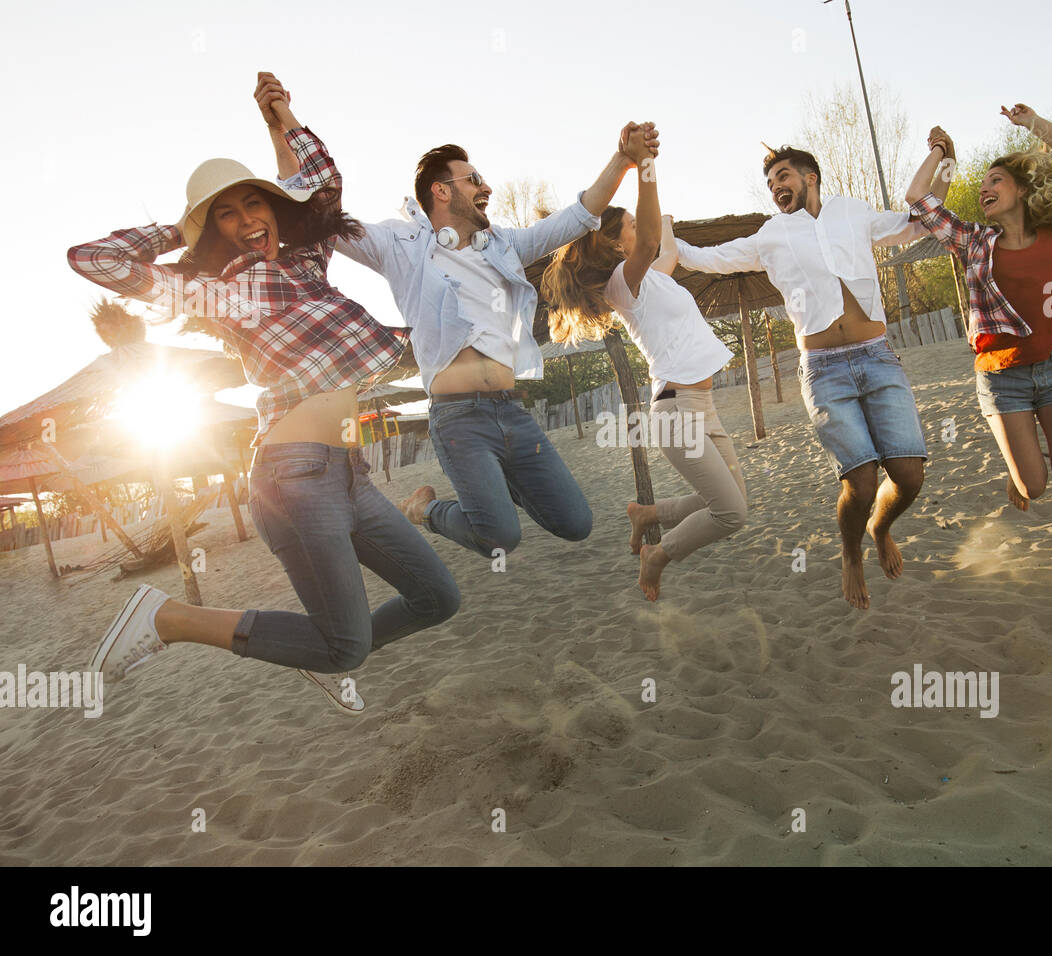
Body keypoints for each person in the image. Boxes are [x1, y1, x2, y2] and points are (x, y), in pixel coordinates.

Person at [67, 73, 460, 715]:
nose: (247, 219)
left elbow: (322, 179)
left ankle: (313, 644)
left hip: (347, 473)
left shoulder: (306, 263)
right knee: (347, 645)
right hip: (293, 476)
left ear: (274, 209)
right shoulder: (216, 290)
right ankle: (171, 619)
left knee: (437, 598)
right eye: (227, 212)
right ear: (213, 231)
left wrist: (279, 115)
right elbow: (92, 260)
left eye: (255, 203)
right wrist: (180, 230)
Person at [271, 119, 659, 560]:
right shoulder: (399, 244)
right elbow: (317, 219)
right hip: (459, 422)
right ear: (441, 190)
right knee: (500, 538)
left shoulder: (504, 246)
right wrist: (282, 126)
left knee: (576, 523)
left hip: (512, 412)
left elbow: (579, 215)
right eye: (474, 179)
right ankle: (426, 508)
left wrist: (624, 159)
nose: (486, 187)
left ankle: (495, 486)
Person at [671, 142, 953, 610]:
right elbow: (708, 257)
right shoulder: (771, 235)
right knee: (860, 482)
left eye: (783, 176)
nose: (776, 187)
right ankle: (851, 555)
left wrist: (944, 157)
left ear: (810, 176)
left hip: (877, 357)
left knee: (909, 475)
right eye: (771, 183)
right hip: (823, 373)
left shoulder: (854, 212)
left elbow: (922, 221)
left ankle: (880, 529)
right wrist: (662, 232)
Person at [540, 127, 744, 601]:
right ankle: (658, 554)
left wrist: (665, 218)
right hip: (676, 411)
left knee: (729, 497)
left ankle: (648, 515)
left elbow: (663, 248)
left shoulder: (650, 281)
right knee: (730, 512)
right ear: (616, 245)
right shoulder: (622, 284)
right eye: (629, 225)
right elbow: (651, 243)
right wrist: (646, 165)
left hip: (702, 404)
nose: (637, 228)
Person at [904, 105, 1052, 511]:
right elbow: (918, 197)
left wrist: (1032, 123)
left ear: (1022, 190)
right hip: (1002, 377)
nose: (983, 188)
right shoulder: (974, 242)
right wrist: (943, 152)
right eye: (982, 184)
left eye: (996, 181)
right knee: (1032, 489)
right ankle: (1027, 460)